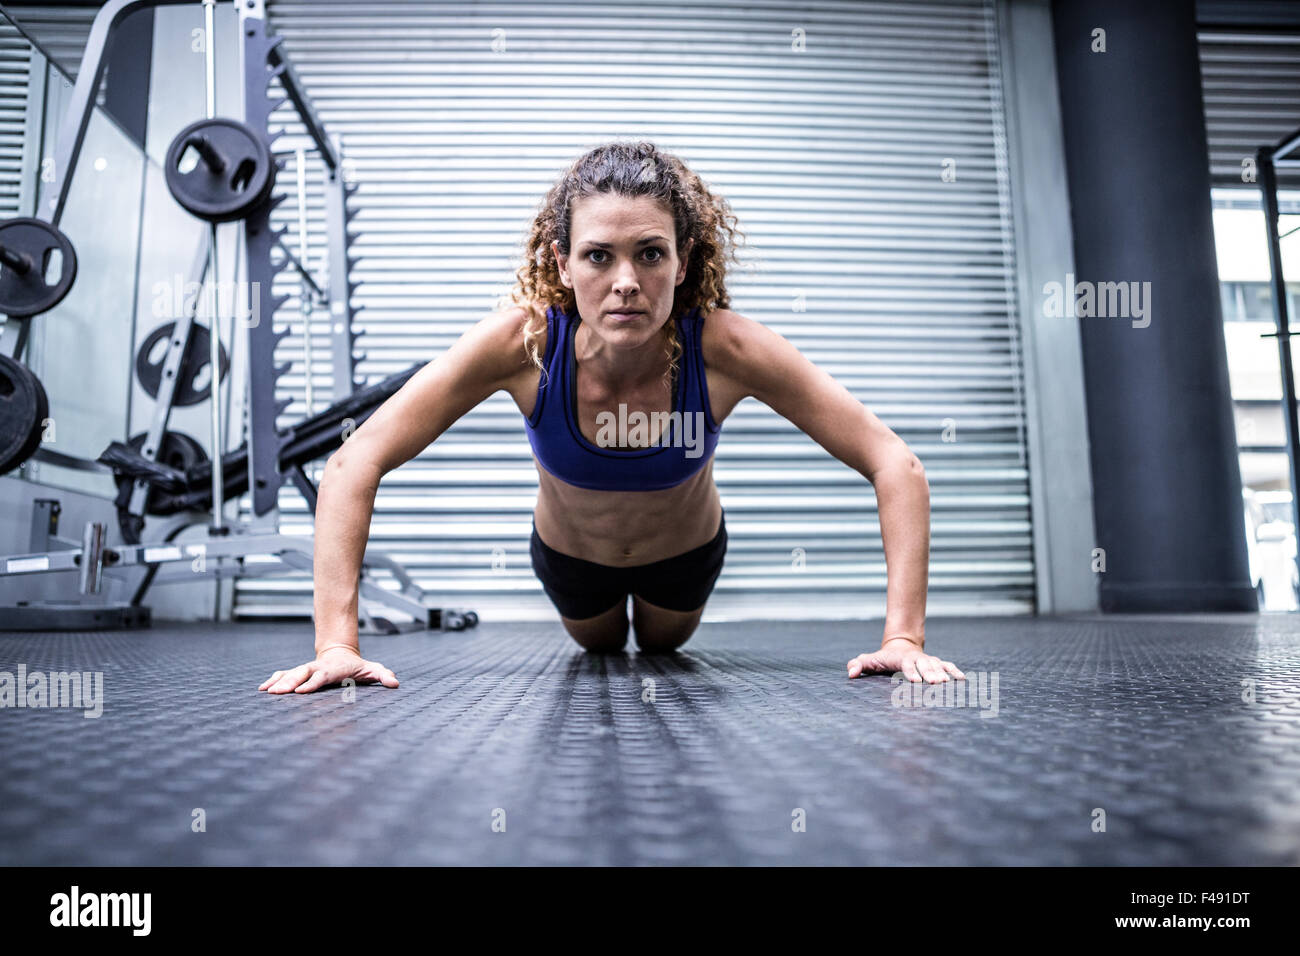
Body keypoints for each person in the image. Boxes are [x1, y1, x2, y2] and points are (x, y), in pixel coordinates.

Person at [260, 141, 964, 695]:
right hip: (571, 563)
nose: (626, 281)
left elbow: (892, 462)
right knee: (599, 652)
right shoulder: (524, 344)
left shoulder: (727, 349)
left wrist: (903, 638)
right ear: (563, 263)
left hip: (686, 560)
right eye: (599, 255)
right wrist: (336, 646)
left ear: (683, 262)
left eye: (650, 254)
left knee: (661, 651)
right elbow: (356, 461)